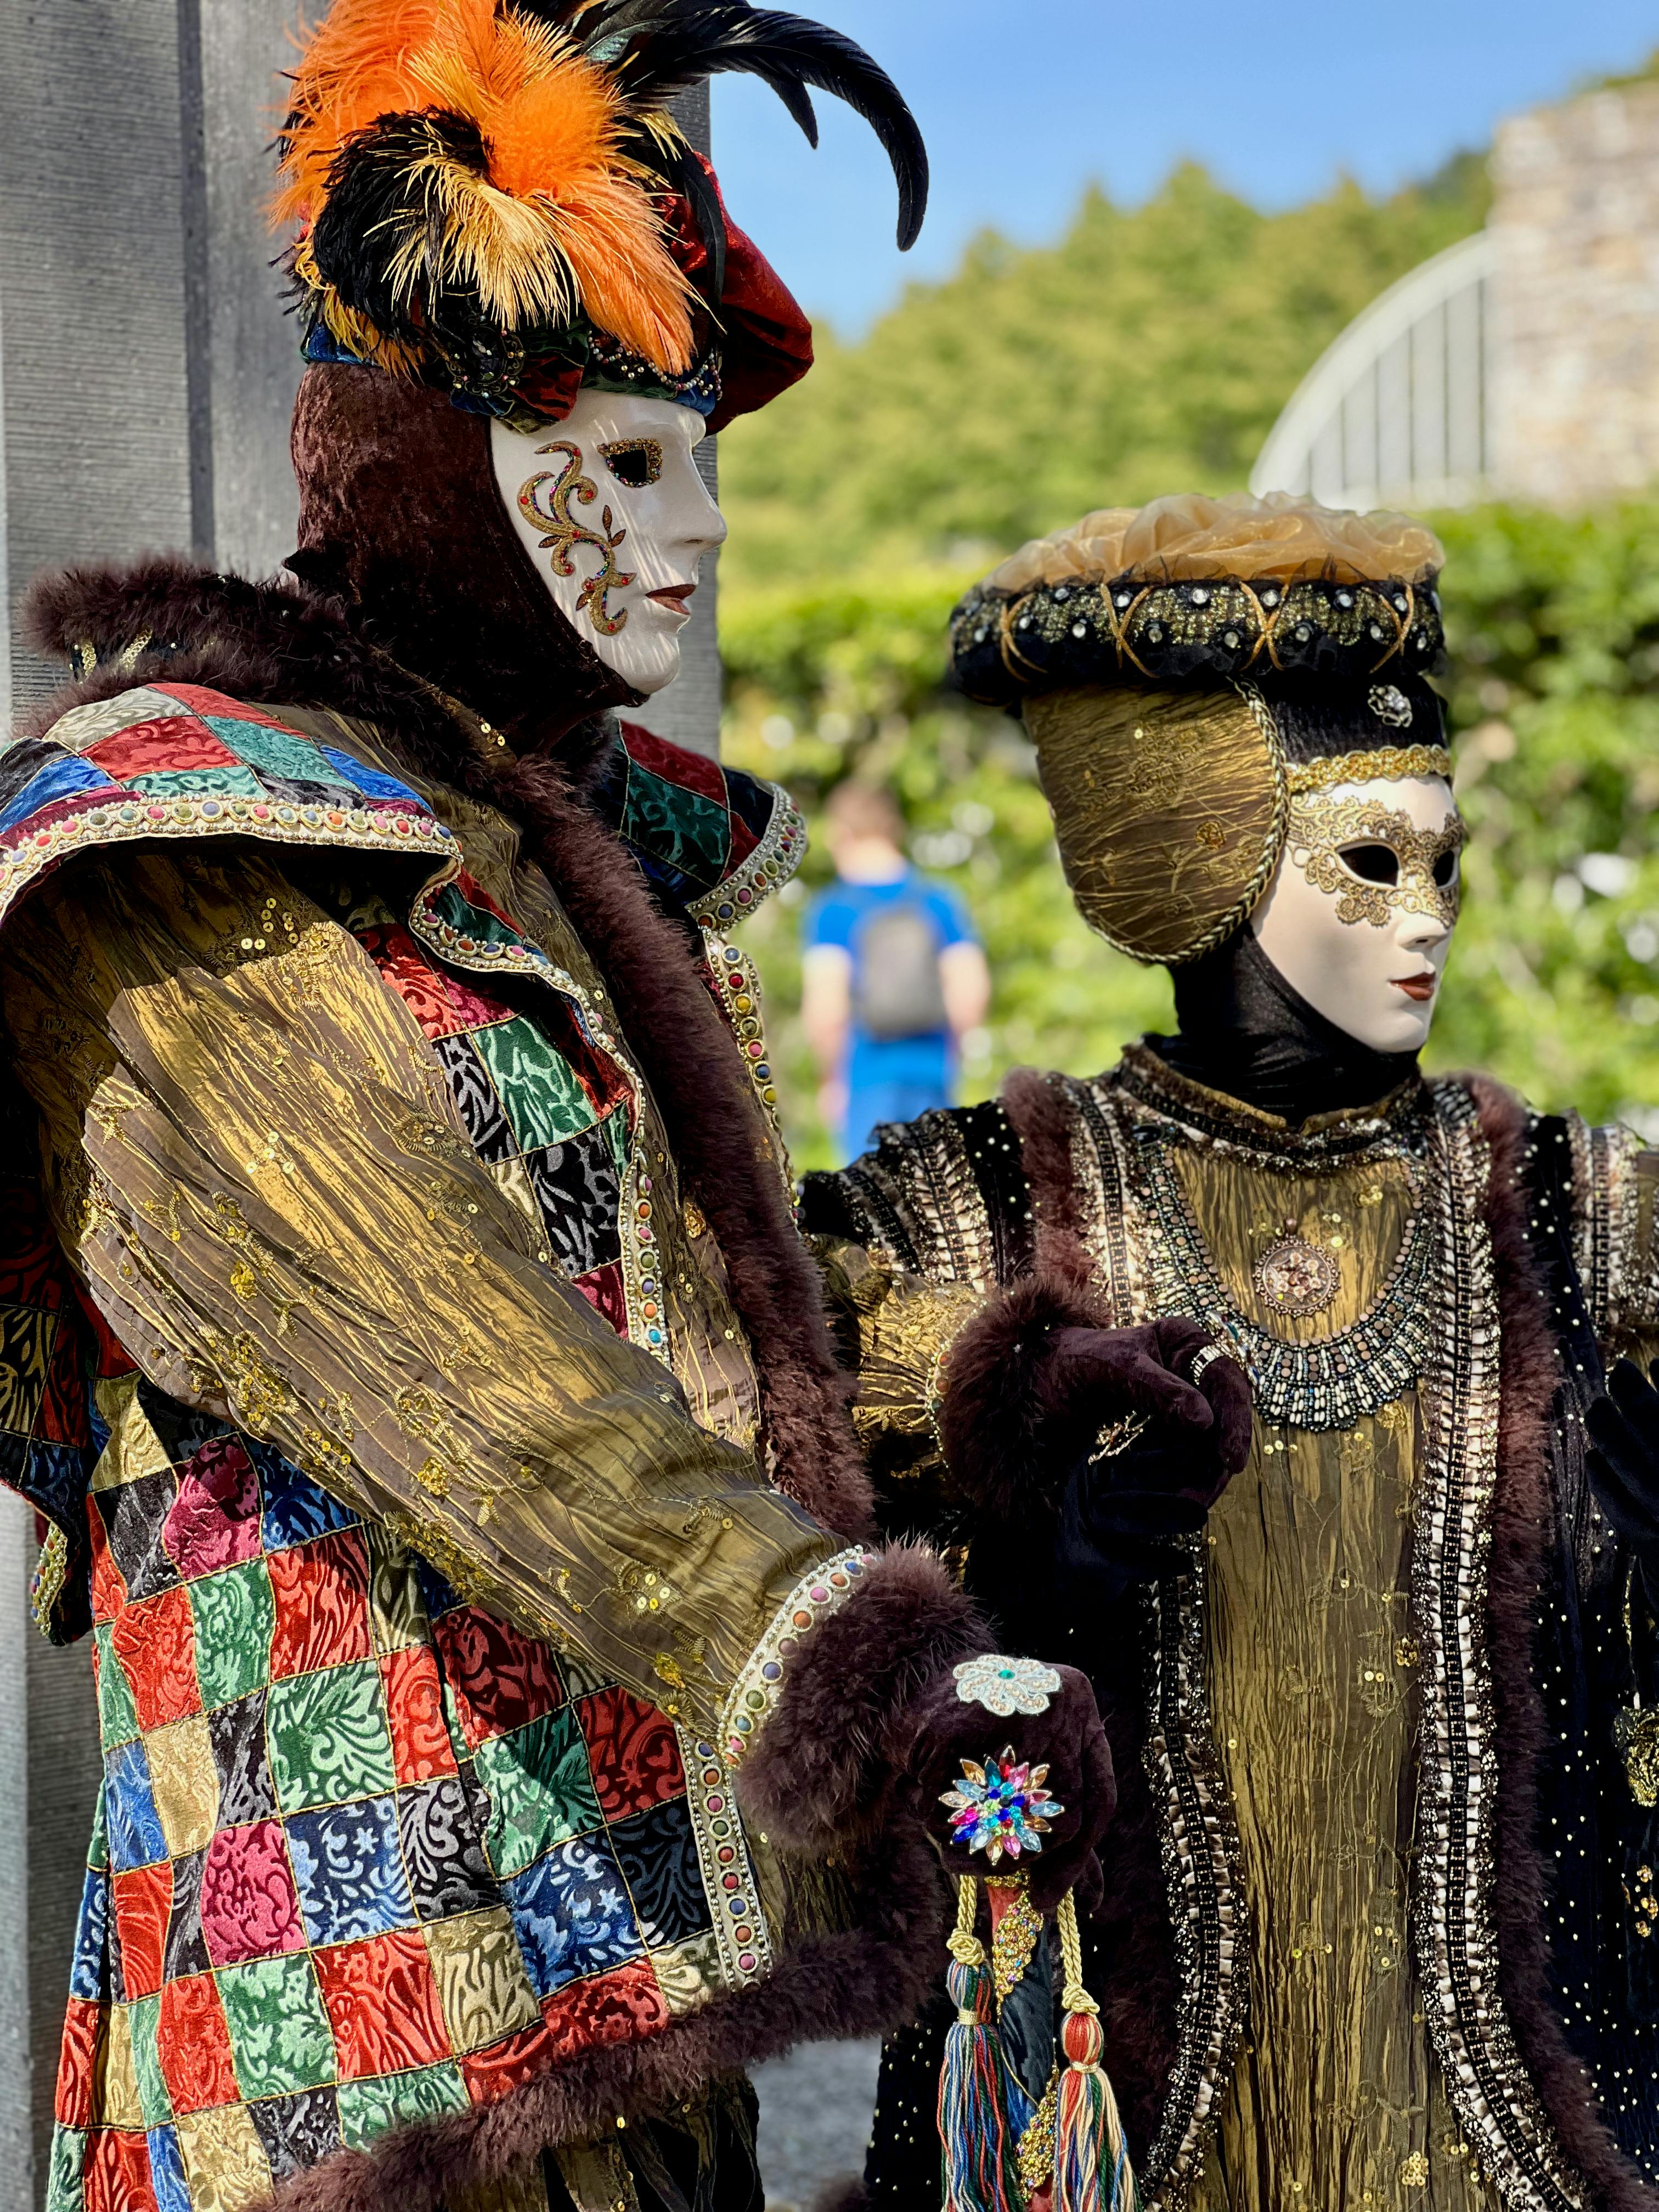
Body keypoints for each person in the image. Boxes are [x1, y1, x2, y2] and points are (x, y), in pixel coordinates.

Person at [5, 12, 1118, 2210]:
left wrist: (1009, 1390)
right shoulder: (173, 850)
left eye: (700, 465)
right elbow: (442, 1349)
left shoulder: (578, 858)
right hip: (341, 2029)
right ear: (403, 452)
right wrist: (822, 1638)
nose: (692, 537)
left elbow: (712, 1315)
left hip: (625, 1966)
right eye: (625, 466)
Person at [800, 492, 1659, 2210]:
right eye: (1368, 860)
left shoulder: (1587, 1209)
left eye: (1446, 864)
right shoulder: (971, 1221)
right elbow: (773, 1570)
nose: (1427, 919)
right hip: (1116, 2123)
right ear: (1196, 849)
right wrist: (1006, 1563)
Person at [802, 782, 990, 1161]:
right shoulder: (938, 899)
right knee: (939, 1202)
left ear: (842, 834)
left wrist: (831, 1079)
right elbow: (972, 986)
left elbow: (827, 1007)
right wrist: (951, 1048)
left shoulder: (834, 910)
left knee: (875, 1207)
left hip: (867, 1077)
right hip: (933, 1072)